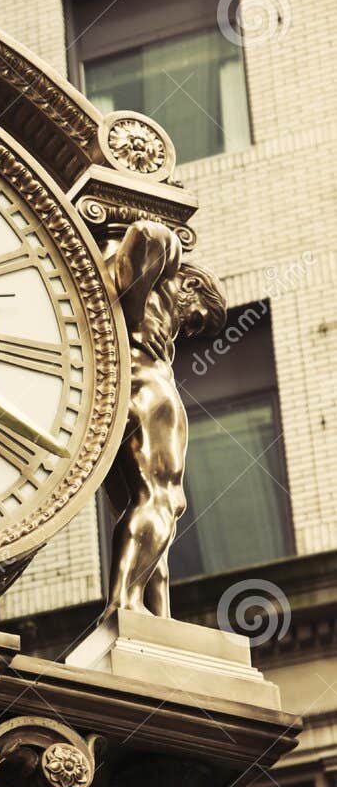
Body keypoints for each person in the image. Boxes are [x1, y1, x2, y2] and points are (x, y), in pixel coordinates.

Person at [104, 218, 225, 616]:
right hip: (147, 383)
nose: (187, 329)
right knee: (166, 497)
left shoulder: (107, 279)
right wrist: (137, 318)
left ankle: (155, 614)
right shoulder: (163, 267)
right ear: (190, 285)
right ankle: (125, 603)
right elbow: (148, 232)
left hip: (117, 387)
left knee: (144, 500)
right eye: (198, 319)